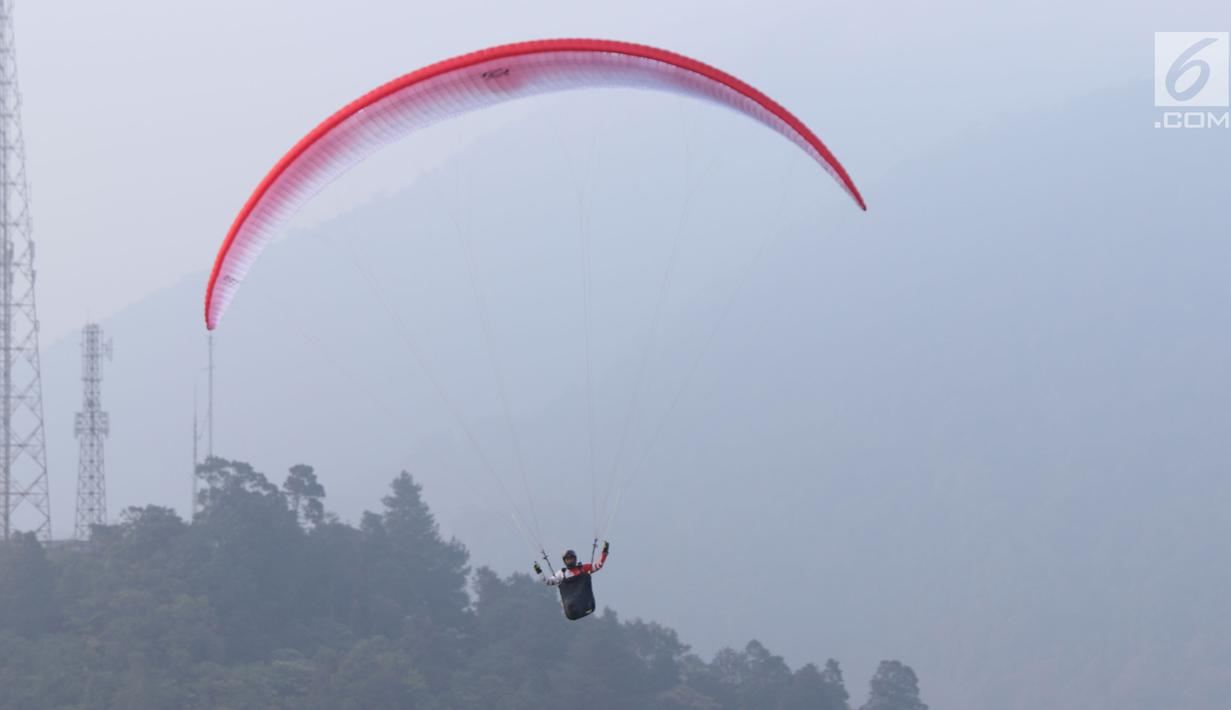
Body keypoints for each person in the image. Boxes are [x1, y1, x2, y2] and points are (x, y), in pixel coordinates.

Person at [534, 541, 609, 620]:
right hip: (572, 605)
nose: (570, 560)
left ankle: (585, 606)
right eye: (568, 559)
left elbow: (599, 565)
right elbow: (547, 582)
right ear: (565, 561)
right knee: (571, 606)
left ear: (575, 559)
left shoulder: (583, 568)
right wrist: (539, 571)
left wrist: (605, 551)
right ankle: (572, 609)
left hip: (585, 601)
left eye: (571, 558)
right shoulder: (561, 574)